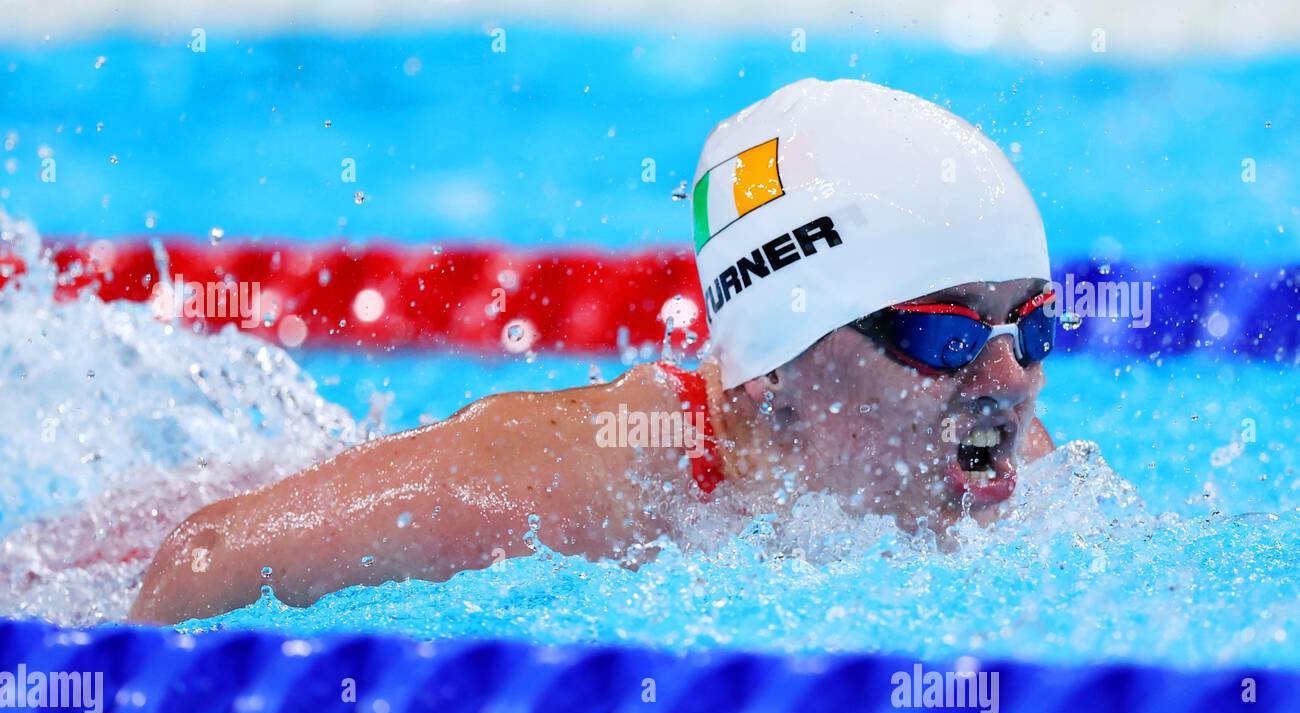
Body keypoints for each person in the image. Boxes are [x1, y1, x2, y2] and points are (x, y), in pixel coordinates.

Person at [129, 77, 1057, 625]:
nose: (1012, 381)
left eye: (1034, 325)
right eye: (946, 335)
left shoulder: (1000, 462)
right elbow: (203, 556)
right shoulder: (566, 487)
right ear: (774, 358)